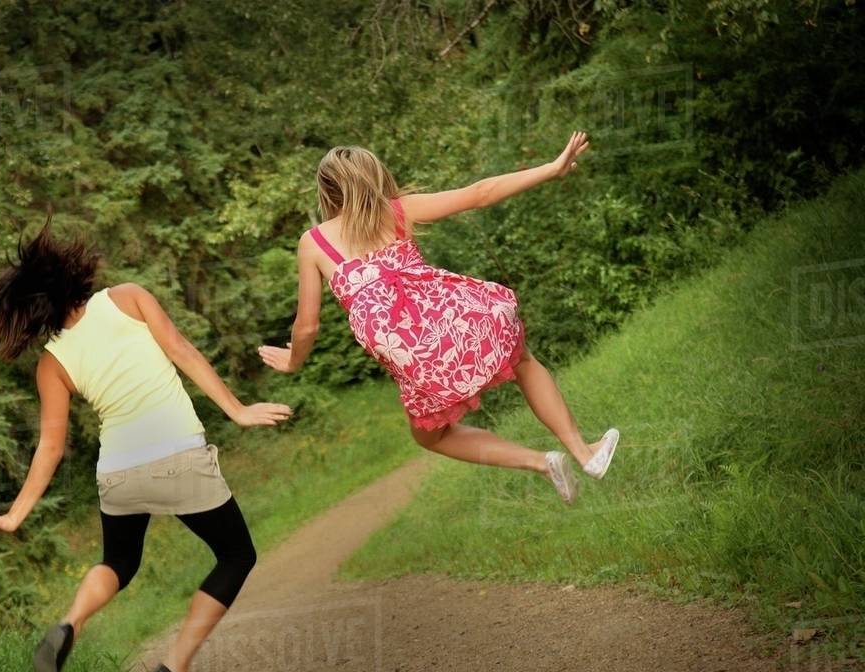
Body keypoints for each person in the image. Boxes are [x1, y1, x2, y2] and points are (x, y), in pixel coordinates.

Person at [0, 218, 291, 672]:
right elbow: (181, 352)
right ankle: (178, 663)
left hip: (118, 473)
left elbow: (50, 446)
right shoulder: (128, 297)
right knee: (236, 555)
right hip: (177, 456)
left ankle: (72, 621)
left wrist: (14, 515)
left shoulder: (51, 363)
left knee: (119, 562)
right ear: (70, 272)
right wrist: (237, 410)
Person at [259, 132, 616, 503]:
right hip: (461, 322)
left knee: (433, 437)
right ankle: (582, 452)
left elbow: (308, 326)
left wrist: (293, 360)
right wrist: (551, 168)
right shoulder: (397, 211)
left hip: (414, 358)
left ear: (327, 191)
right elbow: (480, 193)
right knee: (523, 361)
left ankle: (541, 462)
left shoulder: (314, 242)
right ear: (376, 176)